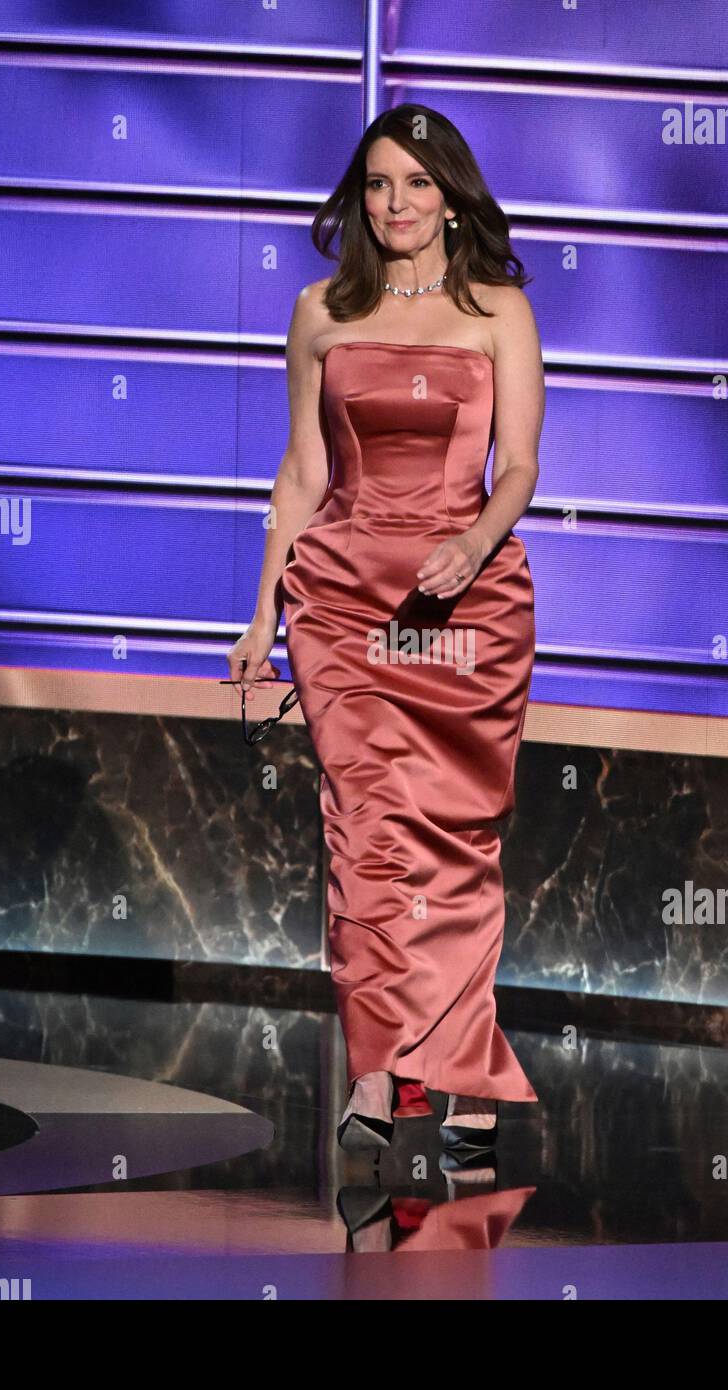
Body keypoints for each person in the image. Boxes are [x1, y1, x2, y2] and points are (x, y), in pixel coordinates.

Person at [227, 103, 544, 1154]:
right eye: (377, 184)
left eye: (415, 182)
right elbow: (304, 473)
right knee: (366, 829)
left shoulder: (498, 309)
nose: (396, 203)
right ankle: (377, 1074)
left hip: (467, 604)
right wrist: (266, 605)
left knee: (449, 841)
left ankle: (453, 1072)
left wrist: (474, 544)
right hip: (345, 598)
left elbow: (523, 471)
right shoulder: (321, 309)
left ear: (452, 195)